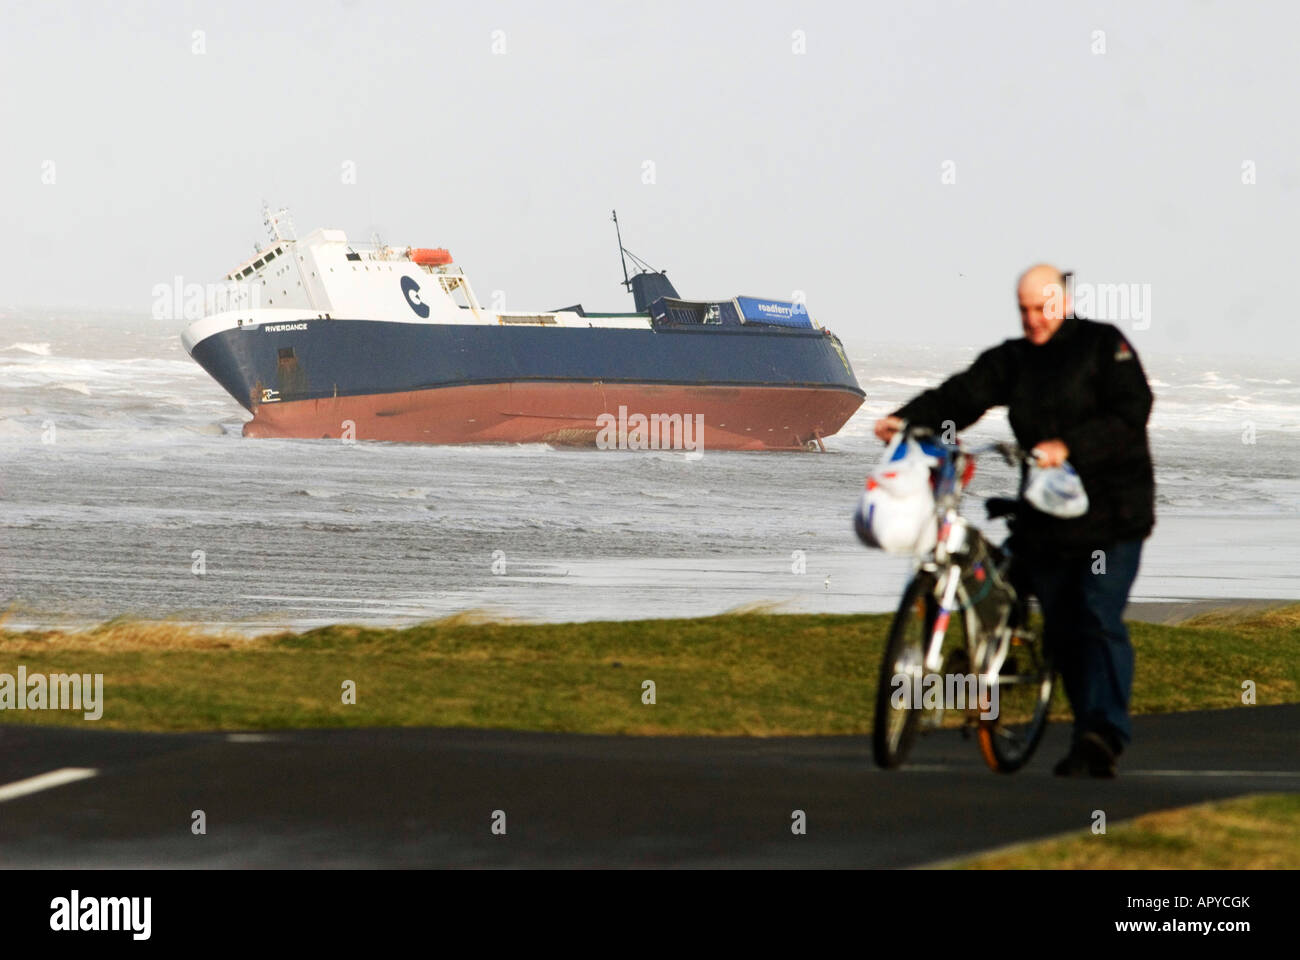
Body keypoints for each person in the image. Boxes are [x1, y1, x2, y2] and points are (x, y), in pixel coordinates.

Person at [874, 264, 1155, 778]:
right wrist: (909, 420)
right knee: (1063, 631)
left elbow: (1133, 410)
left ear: (1062, 302)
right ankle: (1075, 729)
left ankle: (1104, 734)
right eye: (1023, 309)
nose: (1032, 319)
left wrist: (1069, 447)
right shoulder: (1016, 359)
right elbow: (963, 394)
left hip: (1113, 515)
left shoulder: (1102, 346)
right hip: (1048, 519)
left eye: (1041, 308)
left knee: (1096, 615)